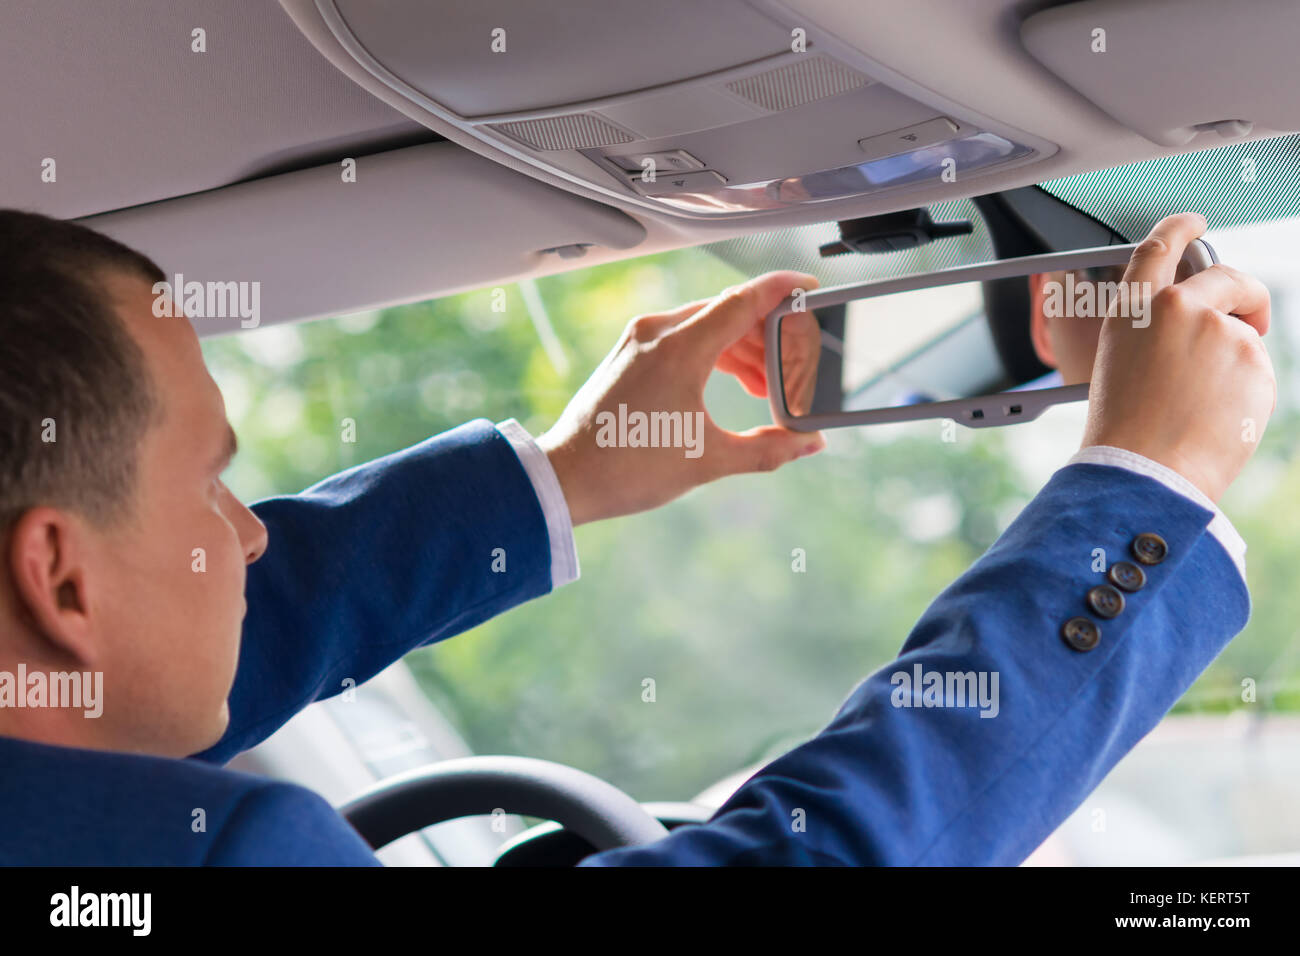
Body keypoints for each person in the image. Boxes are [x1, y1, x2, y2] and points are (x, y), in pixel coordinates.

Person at [0, 209, 1273, 865]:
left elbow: (197, 633)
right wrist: (1138, 491)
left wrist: (559, 477)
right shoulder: (238, 857)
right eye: (217, 489)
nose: (253, 538)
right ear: (58, 573)